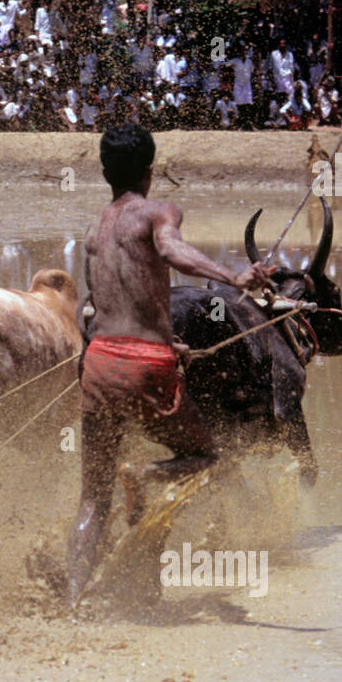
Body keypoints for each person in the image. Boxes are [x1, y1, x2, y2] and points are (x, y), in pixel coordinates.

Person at [66, 125, 273, 606]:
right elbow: (172, 250)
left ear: (104, 172)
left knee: (92, 499)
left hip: (99, 361)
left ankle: (73, 605)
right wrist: (233, 277)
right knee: (208, 456)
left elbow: (103, 302)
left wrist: (165, 337)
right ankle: (144, 476)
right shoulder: (160, 210)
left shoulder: (95, 228)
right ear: (150, 172)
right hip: (145, 368)